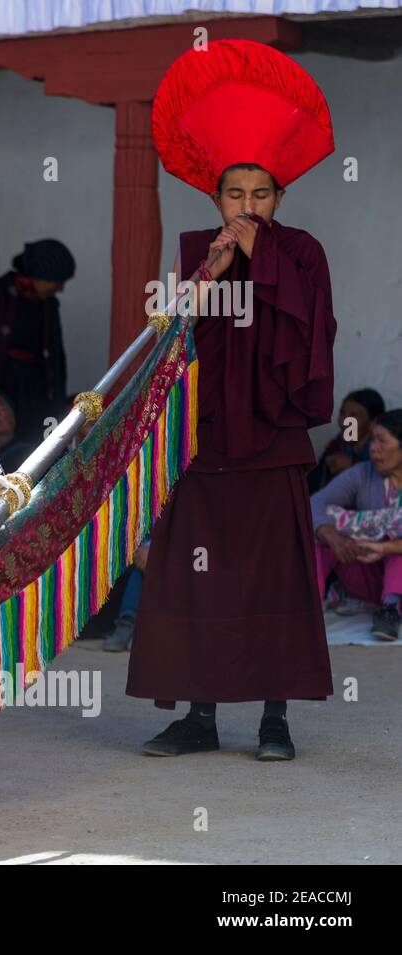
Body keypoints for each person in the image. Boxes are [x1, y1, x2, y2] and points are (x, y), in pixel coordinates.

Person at [127, 40, 337, 761]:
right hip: (209, 443)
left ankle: (275, 718)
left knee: (275, 580)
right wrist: (210, 278)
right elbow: (176, 345)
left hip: (272, 442)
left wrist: (263, 265)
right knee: (199, 579)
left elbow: (310, 334)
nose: (247, 208)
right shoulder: (196, 252)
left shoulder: (302, 253)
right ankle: (199, 714)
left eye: (261, 194)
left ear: (280, 196)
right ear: (214, 197)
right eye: (234, 195)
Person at [311, 409, 402, 641]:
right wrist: (331, 534)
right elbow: (316, 502)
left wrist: (385, 548)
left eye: (382, 441)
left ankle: (391, 609)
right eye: (372, 439)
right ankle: (307, 607)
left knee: (395, 535)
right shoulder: (363, 474)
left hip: (397, 578)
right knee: (325, 531)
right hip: (370, 579)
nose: (373, 448)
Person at [0, 239, 75, 443]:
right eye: (57, 280)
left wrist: (57, 403)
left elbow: (56, 356)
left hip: (36, 394)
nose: (60, 288)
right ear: (40, 273)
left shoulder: (48, 305)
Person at [307, 388, 385, 492]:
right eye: (342, 413)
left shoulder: (385, 449)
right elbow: (310, 485)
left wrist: (352, 465)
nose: (343, 421)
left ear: (373, 422)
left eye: (353, 415)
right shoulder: (336, 446)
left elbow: (390, 484)